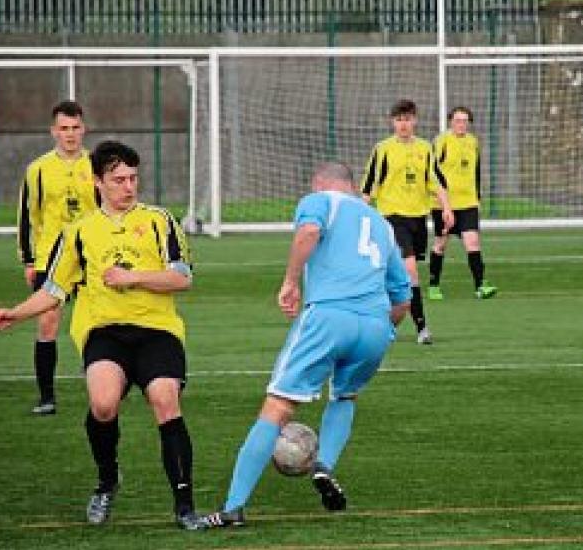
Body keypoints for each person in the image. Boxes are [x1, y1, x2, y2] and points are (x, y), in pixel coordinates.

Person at [0, 141, 207, 530]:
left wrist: (133, 276)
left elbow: (182, 277)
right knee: (103, 405)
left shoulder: (160, 220)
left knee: (164, 398)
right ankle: (107, 481)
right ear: (97, 182)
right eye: (118, 179)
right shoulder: (78, 233)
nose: (128, 187)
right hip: (104, 333)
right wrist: (15, 314)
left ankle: (185, 505)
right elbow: (54, 290)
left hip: (158, 331)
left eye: (133, 178)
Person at [204, 162, 411, 528]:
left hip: (330, 317)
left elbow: (309, 231)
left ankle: (233, 507)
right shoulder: (382, 224)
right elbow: (403, 298)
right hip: (375, 326)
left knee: (278, 406)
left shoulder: (320, 201)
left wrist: (290, 282)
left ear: (321, 183)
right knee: (345, 396)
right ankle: (324, 465)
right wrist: (382, 328)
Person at [17, 100, 98, 415]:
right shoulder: (38, 169)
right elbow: (28, 216)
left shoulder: (96, 164)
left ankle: (99, 383)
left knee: (94, 322)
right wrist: (28, 260)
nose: (70, 134)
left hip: (90, 254)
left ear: (84, 129)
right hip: (50, 257)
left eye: (75, 128)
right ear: (54, 131)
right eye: (64, 128)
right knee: (48, 322)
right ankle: (47, 396)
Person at [361, 99, 454, 345]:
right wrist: (359, 213)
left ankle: (386, 321)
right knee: (410, 272)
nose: (403, 124)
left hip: (418, 220)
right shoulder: (382, 149)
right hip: (391, 218)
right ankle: (422, 329)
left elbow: (436, 181)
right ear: (393, 122)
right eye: (399, 119)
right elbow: (369, 185)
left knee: (401, 275)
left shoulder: (425, 148)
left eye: (407, 119)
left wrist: (446, 207)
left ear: (415, 120)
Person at [427, 106, 497, 301]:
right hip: (443, 204)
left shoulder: (473, 143)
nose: (461, 124)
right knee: (441, 244)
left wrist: (477, 198)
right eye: (458, 120)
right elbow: (431, 171)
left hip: (468, 203)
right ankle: (434, 285)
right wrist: (440, 199)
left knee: (473, 242)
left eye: (465, 121)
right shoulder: (441, 142)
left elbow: (476, 172)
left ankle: (480, 285)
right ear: (451, 122)